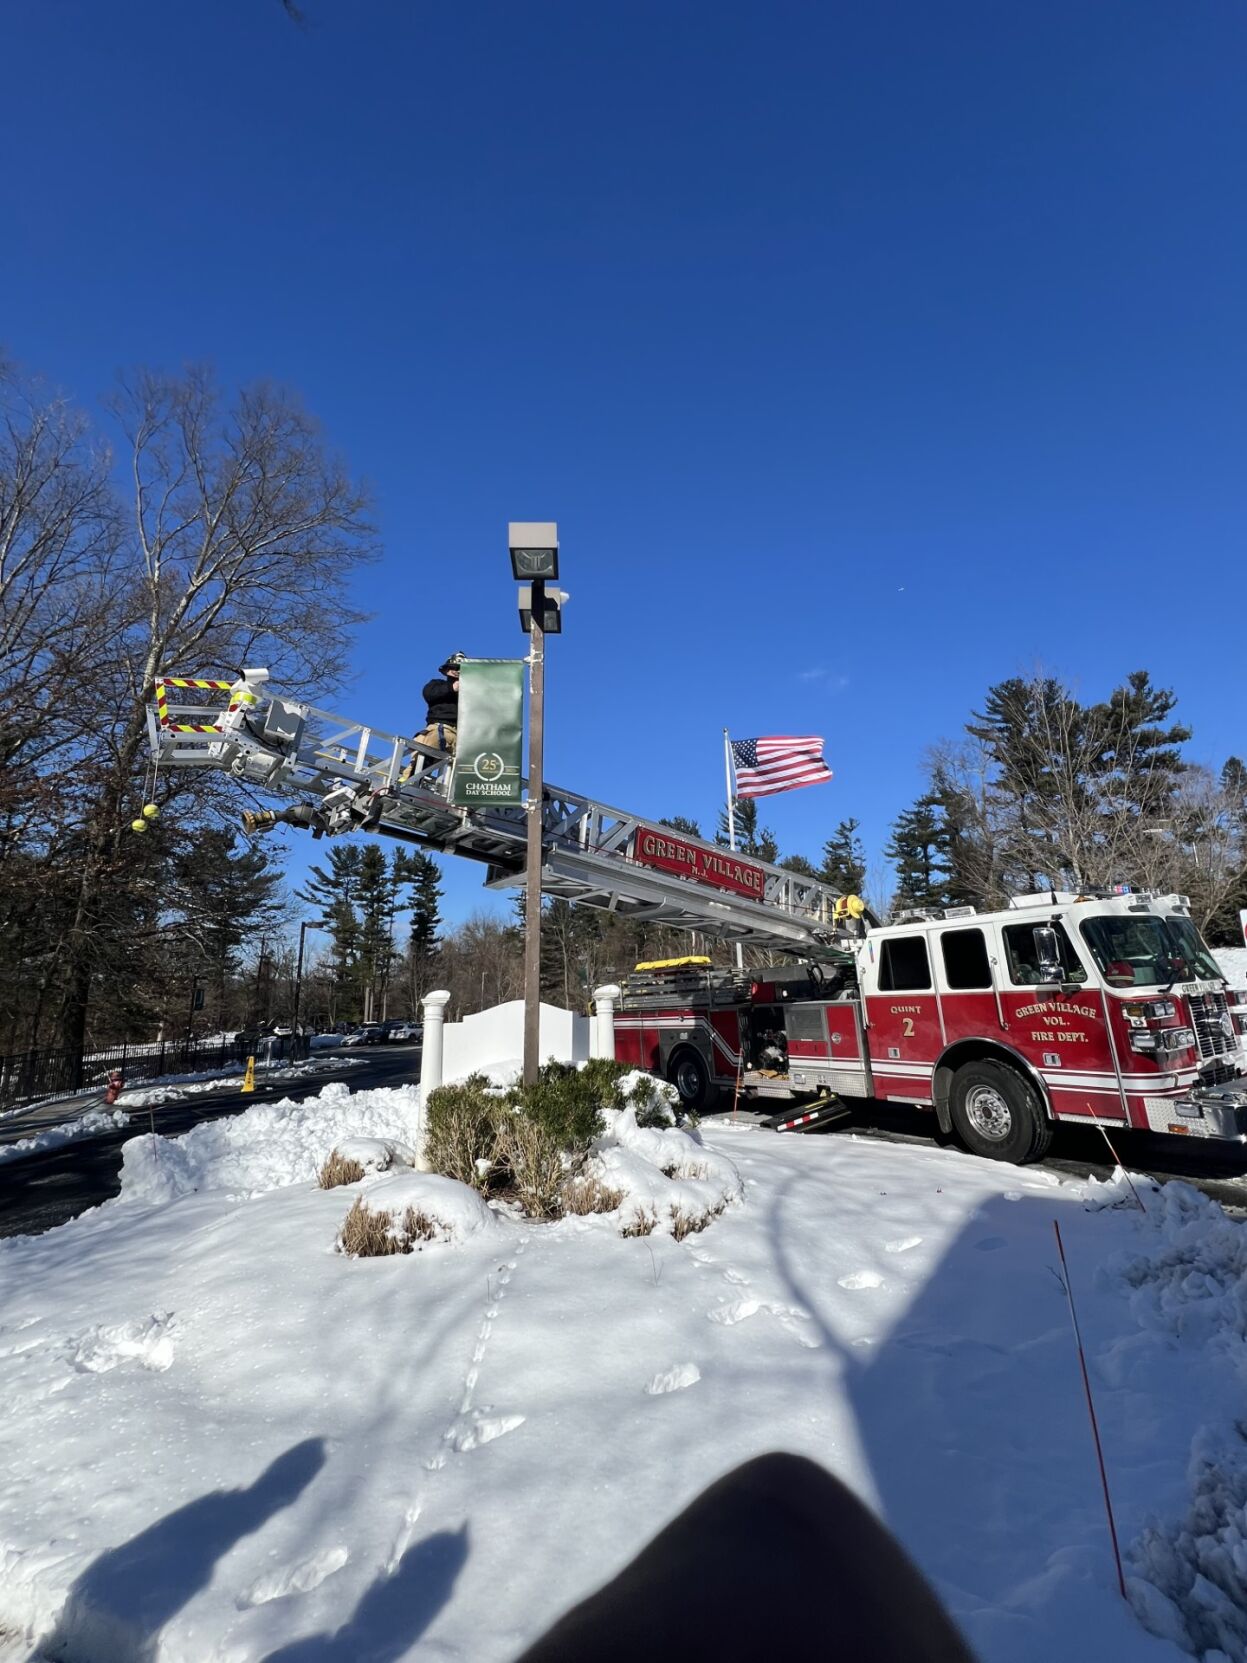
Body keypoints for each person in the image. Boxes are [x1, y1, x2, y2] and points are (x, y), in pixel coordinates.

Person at [412, 652, 465, 756]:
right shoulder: (437, 684)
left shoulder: (468, 693)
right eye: (454, 668)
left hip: (461, 737)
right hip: (440, 729)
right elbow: (429, 694)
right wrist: (452, 688)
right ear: (446, 670)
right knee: (422, 763)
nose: (457, 671)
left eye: (460, 669)